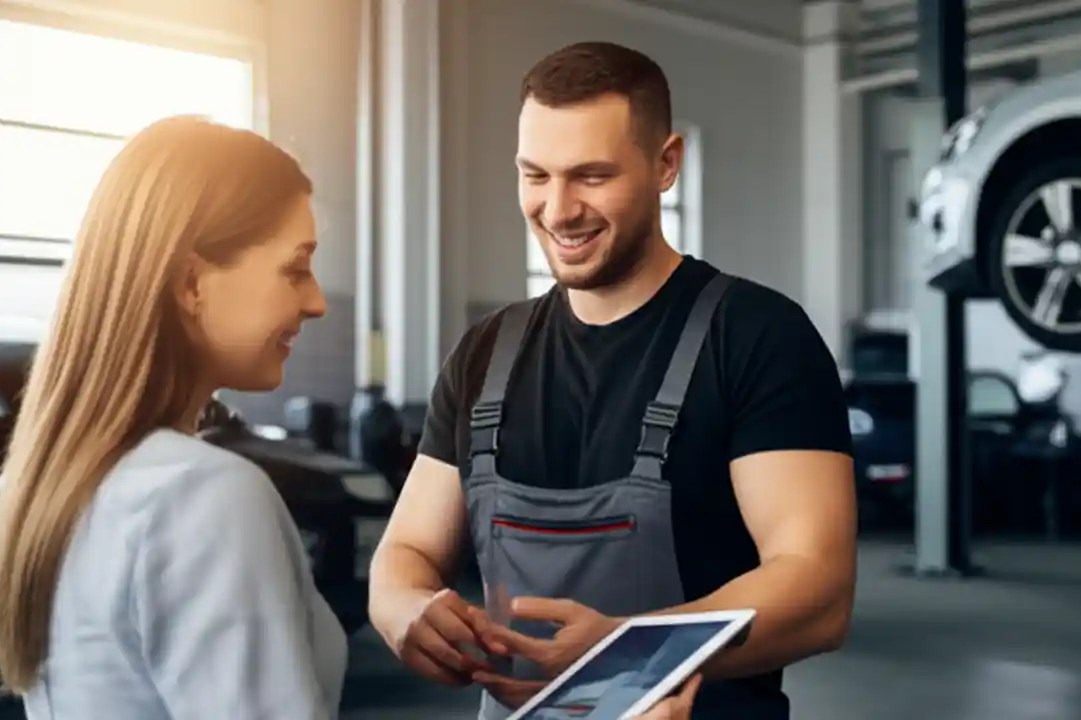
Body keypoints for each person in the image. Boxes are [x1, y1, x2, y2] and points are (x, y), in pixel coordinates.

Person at [368, 41, 858, 719]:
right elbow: (408, 548)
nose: (558, 209)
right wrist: (405, 611)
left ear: (666, 165)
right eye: (535, 175)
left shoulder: (757, 338)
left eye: (590, 176)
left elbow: (819, 586)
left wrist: (632, 653)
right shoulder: (484, 353)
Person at [0, 116, 345, 718]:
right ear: (191, 282)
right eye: (295, 267)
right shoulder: (202, 494)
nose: (316, 301)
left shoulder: (60, 483)